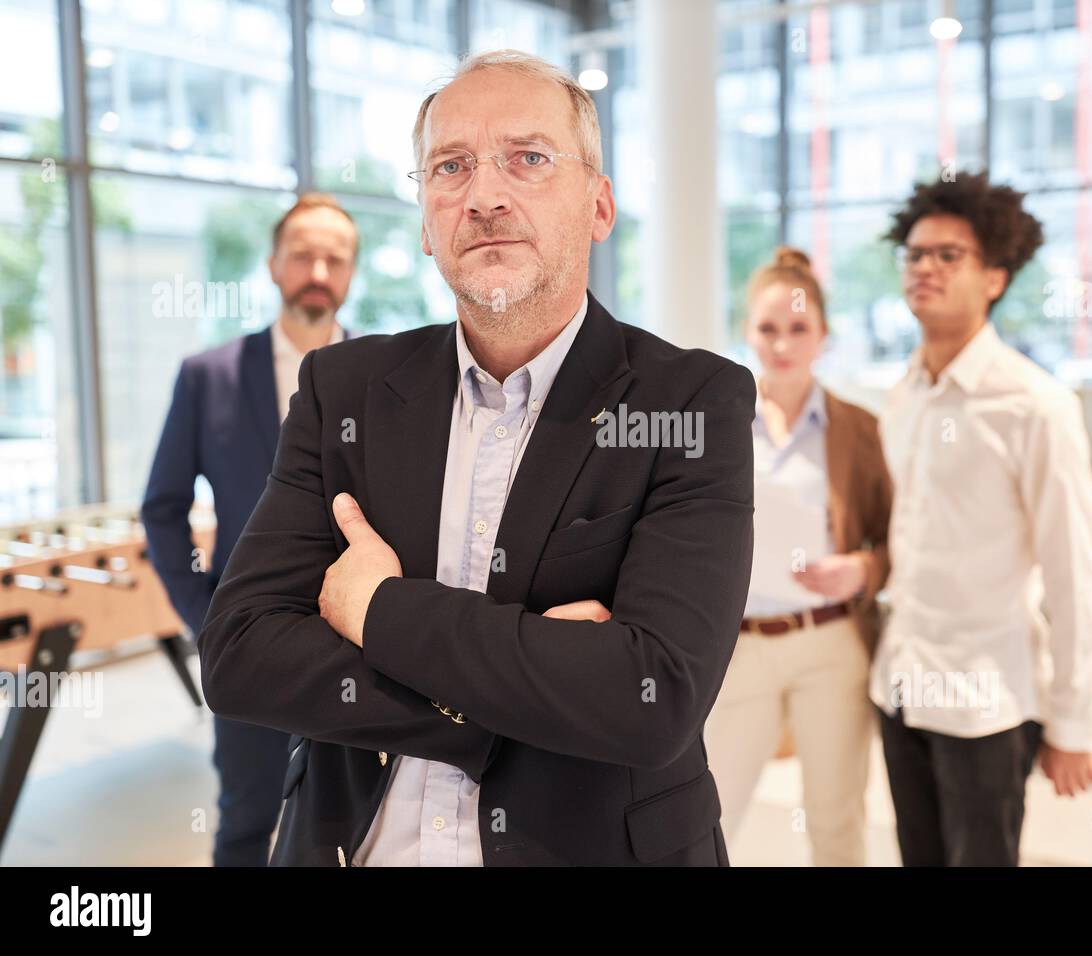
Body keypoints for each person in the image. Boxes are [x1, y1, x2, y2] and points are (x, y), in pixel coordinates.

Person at [197, 50, 756, 867]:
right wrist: (537, 685)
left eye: (528, 159)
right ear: (426, 220)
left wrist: (377, 611)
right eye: (451, 167)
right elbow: (241, 655)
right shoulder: (343, 389)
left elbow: (653, 699)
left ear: (599, 204)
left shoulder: (687, 402)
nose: (485, 196)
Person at [871, 171, 1092, 866]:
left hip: (987, 701)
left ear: (996, 278)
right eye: (915, 253)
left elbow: (1076, 570)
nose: (925, 268)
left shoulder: (1034, 405)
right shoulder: (903, 393)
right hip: (901, 686)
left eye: (950, 255)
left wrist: (1073, 720)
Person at [141, 193, 358, 866]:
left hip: (361, 648)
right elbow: (163, 505)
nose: (317, 269)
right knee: (246, 825)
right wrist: (205, 619)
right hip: (247, 643)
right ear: (272, 265)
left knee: (355, 824)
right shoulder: (208, 378)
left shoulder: (384, 377)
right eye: (302, 254)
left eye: (335, 257)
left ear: (350, 273)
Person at [704, 247, 891, 866]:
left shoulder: (860, 429)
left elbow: (899, 540)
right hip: (739, 644)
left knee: (837, 818)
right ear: (747, 332)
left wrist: (862, 570)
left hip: (830, 644)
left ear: (824, 336)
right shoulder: (715, 423)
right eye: (767, 328)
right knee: (710, 812)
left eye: (798, 328)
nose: (782, 344)